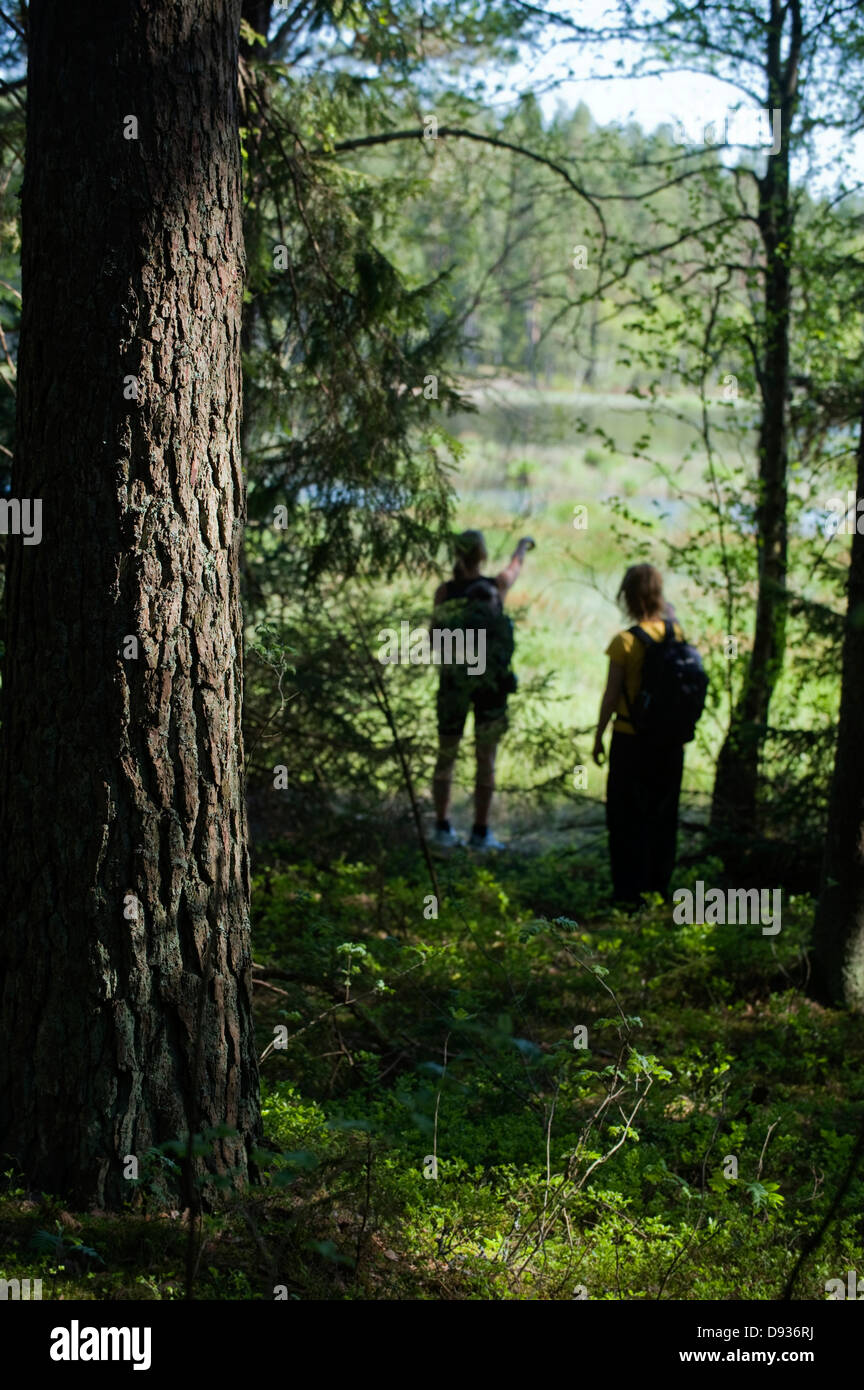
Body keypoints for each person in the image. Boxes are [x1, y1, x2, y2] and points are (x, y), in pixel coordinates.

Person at [432, 530, 534, 850]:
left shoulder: (444, 592)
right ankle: (480, 832)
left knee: (446, 754)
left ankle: (442, 827)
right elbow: (515, 568)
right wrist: (522, 546)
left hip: (454, 684)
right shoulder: (495, 587)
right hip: (490, 685)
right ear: (483, 556)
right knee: (486, 758)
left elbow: (434, 639)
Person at [592, 564, 686, 907]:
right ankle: (658, 890)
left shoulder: (625, 642)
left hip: (630, 741)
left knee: (625, 819)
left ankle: (627, 895)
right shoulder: (677, 634)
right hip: (670, 744)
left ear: (627, 596)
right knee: (662, 817)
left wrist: (598, 737)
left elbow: (610, 695)